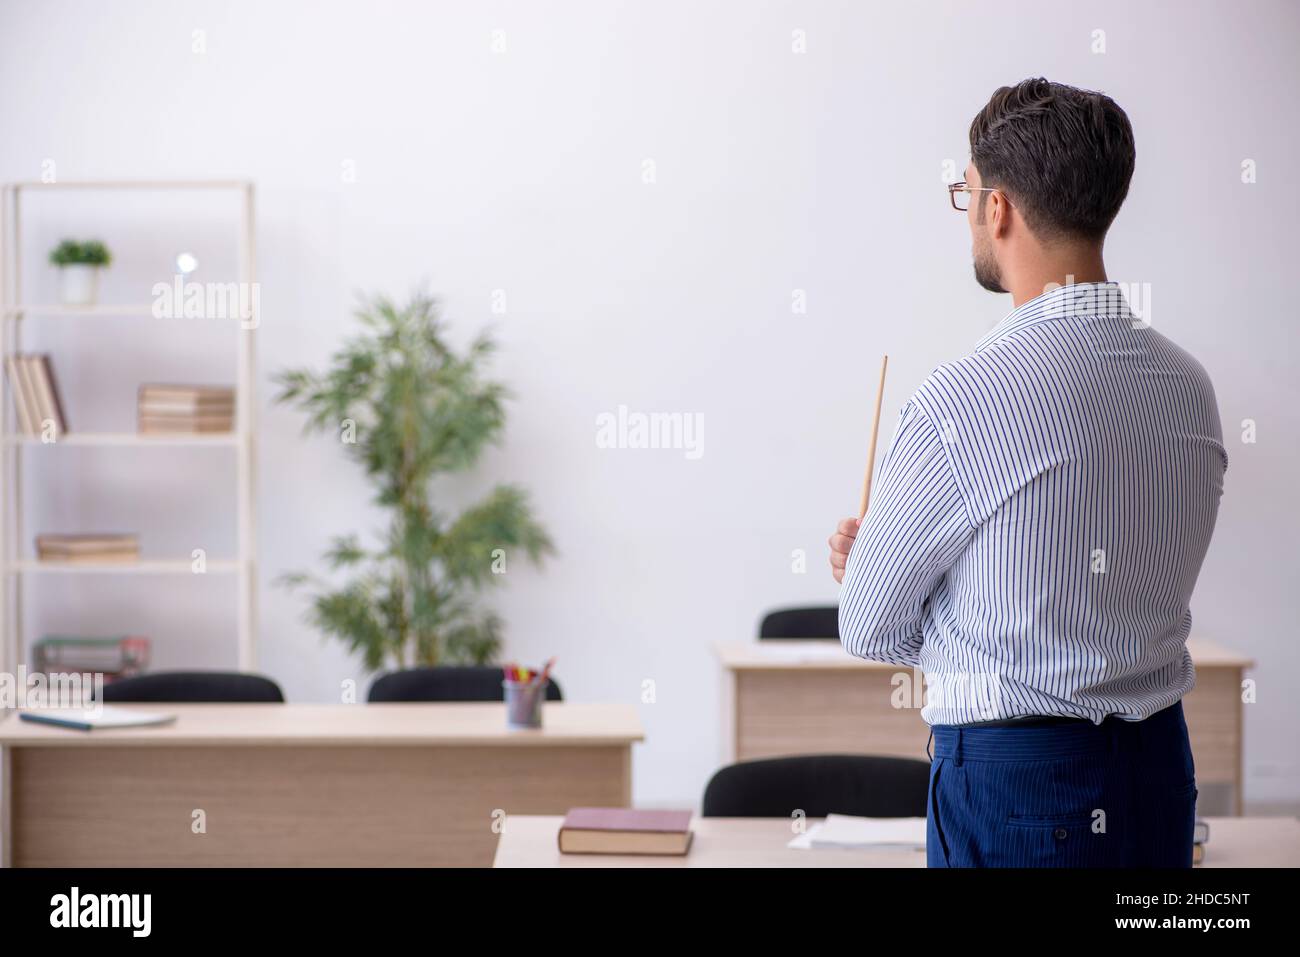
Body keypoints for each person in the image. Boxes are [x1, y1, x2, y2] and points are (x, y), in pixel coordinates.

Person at [829, 78, 1226, 867]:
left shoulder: (965, 396)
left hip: (1020, 789)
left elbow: (870, 627)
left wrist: (889, 569)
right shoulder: (1191, 387)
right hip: (1159, 776)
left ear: (999, 207)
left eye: (965, 195)